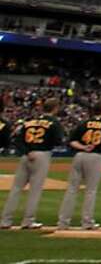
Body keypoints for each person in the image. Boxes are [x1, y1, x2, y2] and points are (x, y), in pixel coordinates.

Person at [1, 97, 64, 230]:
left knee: (16, 189)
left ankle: (5, 220)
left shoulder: (29, 121)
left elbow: (17, 140)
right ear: (55, 108)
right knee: (35, 190)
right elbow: (58, 140)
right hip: (42, 155)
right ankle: (28, 220)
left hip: (26, 155)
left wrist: (27, 151)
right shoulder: (54, 122)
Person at [57, 102, 101, 230]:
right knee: (90, 190)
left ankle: (63, 222)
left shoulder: (83, 123)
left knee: (72, 189)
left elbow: (72, 141)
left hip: (79, 155)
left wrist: (84, 147)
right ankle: (87, 221)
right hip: (95, 156)